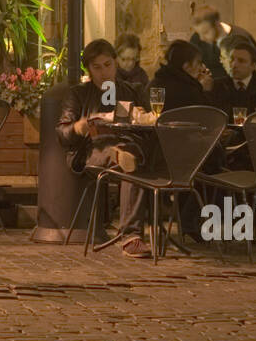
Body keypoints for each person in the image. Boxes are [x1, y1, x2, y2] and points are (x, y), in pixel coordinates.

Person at [56, 39, 150, 259]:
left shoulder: (130, 90)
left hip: (131, 146)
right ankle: (131, 236)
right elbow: (62, 132)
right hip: (91, 151)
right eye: (97, 67)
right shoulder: (78, 94)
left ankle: (132, 235)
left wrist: (141, 116)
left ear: (116, 64)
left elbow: (147, 120)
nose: (104, 72)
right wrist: (78, 127)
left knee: (133, 157)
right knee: (130, 159)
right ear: (89, 70)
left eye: (108, 65)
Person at [190, 5, 256, 81]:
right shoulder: (198, 39)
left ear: (217, 24)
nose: (202, 38)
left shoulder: (241, 39)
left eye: (205, 32)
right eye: (199, 33)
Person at [149, 39, 214, 110]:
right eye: (199, 63)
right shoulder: (191, 92)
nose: (202, 68)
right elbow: (208, 114)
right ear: (187, 67)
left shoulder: (155, 84)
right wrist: (205, 91)